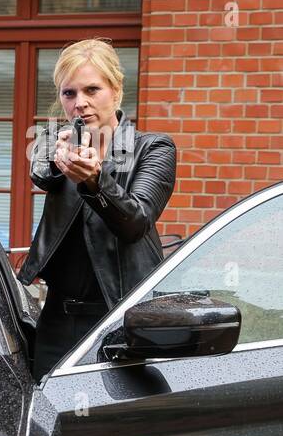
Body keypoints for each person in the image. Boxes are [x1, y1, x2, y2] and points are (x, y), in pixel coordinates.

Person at [18, 38, 178, 380]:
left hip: (121, 316)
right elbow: (41, 173)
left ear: (116, 90)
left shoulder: (153, 148)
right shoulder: (57, 143)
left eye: (93, 89)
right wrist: (61, 158)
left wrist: (95, 180)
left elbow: (135, 222)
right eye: (69, 93)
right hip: (58, 321)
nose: (81, 103)